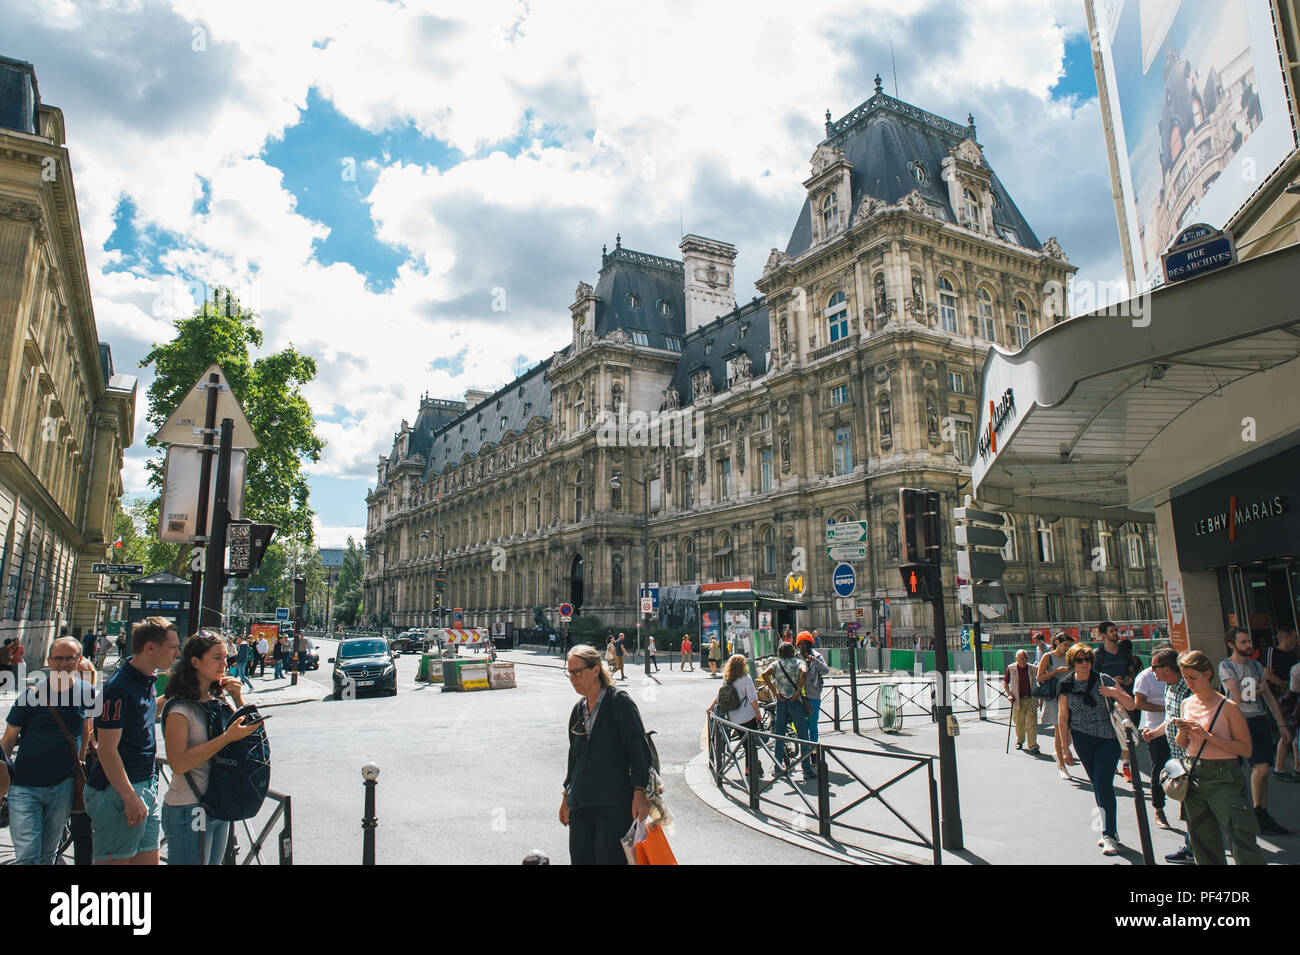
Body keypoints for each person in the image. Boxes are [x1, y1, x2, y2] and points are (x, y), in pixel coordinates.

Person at [85, 617, 181, 865]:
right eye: (172, 647)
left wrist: (176, 693)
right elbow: (106, 749)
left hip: (144, 786)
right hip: (118, 791)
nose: (177, 653)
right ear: (151, 647)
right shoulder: (119, 688)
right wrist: (129, 797)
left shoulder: (146, 678)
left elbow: (145, 715)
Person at [161, 633, 258, 865]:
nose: (225, 664)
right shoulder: (180, 708)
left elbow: (251, 736)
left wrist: (238, 699)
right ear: (195, 661)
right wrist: (225, 738)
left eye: (225, 658)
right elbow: (178, 763)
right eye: (217, 658)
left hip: (217, 803)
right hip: (188, 808)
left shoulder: (217, 700)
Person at [1, 637, 95, 864]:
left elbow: (86, 733)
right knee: (28, 855)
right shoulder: (31, 695)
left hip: (63, 786)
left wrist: (79, 770)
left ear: (79, 660)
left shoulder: (88, 693)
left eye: (69, 658)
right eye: (58, 659)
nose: (63, 664)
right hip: (24, 786)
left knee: (48, 854)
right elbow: (9, 739)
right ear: (49, 661)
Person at [558, 645, 652, 865]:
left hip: (614, 804)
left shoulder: (619, 703)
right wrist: (566, 796)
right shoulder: (578, 710)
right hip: (581, 803)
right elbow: (574, 758)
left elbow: (639, 750)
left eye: (577, 672)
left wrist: (639, 792)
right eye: (569, 673)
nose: (572, 678)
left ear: (596, 670)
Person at [1175, 649, 1267, 865]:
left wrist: (1207, 736)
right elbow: (1183, 745)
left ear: (1207, 673)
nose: (1189, 683)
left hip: (1224, 775)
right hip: (1194, 774)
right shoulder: (1187, 703)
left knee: (1241, 839)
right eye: (1185, 678)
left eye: (1193, 678)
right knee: (1201, 841)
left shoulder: (1228, 707)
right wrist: (1183, 731)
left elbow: (1245, 750)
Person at [1057, 642, 1136, 856]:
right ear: (1072, 662)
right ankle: (1110, 829)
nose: (1085, 664)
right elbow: (1063, 718)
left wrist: (1113, 692)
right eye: (1080, 660)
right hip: (1082, 739)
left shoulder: (1104, 679)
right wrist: (1065, 749)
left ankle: (1109, 834)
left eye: (1088, 660)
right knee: (1097, 785)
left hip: (1107, 738)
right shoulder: (1066, 684)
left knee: (1103, 784)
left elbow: (1131, 704)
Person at [1219, 627, 1293, 835]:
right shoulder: (1226, 666)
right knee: (1247, 771)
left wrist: (1282, 724)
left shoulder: (1255, 665)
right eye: (1243, 642)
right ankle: (1243, 813)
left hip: (1259, 720)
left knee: (1263, 769)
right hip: (1238, 722)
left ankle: (1261, 811)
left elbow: (1268, 696)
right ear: (1232, 645)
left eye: (1248, 641)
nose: (1248, 645)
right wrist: (1259, 689)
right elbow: (1239, 696)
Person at [1141, 648, 1194, 862]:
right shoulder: (1169, 688)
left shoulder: (1188, 690)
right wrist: (1155, 732)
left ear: (1166, 668)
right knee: (1190, 804)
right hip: (1178, 755)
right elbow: (1171, 718)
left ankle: (1195, 849)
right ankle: (1192, 846)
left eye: (1154, 667)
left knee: (1194, 804)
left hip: (1193, 755)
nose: (1151, 671)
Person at [1132, 646, 1175, 829]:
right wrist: (1166, 710)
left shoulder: (1178, 677)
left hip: (1175, 731)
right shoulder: (1145, 677)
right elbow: (1138, 703)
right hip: (1155, 731)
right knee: (1159, 770)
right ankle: (1159, 809)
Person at [762, 641, 813, 779]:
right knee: (803, 735)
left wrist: (775, 691)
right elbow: (805, 671)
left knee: (779, 735)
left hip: (781, 701)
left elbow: (764, 674)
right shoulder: (798, 662)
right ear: (792, 651)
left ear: (779, 653)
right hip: (795, 701)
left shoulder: (776, 664)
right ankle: (806, 769)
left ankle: (778, 767)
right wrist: (798, 690)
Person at [709, 653, 761, 780]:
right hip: (748, 715)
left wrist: (711, 707)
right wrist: (758, 713)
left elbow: (719, 696)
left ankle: (753, 767)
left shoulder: (727, 679)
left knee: (745, 744)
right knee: (750, 744)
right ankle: (750, 769)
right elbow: (752, 698)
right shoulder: (746, 678)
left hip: (734, 717)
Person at [1037, 632, 1075, 779]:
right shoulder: (1048, 657)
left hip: (1069, 695)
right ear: (1057, 642)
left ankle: (1059, 752)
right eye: (1065, 645)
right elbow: (1039, 678)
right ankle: (1061, 766)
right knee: (1060, 731)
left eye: (1069, 646)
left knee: (1069, 733)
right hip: (1054, 697)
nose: (1067, 648)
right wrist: (1057, 672)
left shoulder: (1070, 656)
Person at [1264, 628, 1299, 780]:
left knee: (1295, 729)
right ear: (1286, 638)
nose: (1297, 641)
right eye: (1294, 637)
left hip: (1293, 694)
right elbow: (1268, 674)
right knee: (1288, 729)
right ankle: (1279, 768)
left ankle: (1297, 767)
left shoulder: (1293, 654)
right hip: (1281, 696)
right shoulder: (1273, 652)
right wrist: (1286, 686)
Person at [1003, 649, 1038, 752]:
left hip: (1030, 699)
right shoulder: (1011, 668)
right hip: (1017, 700)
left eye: (1024, 658)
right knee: (1019, 723)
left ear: (1027, 658)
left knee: (1031, 723)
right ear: (1016, 659)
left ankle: (1033, 745)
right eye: (1019, 659)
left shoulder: (1033, 668)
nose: (1022, 661)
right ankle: (1020, 741)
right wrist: (1009, 695)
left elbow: (1040, 680)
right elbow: (1005, 683)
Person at [797, 636, 829, 745]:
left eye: (804, 643)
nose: (802, 646)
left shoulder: (817, 656)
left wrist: (814, 661)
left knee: (813, 726)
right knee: (801, 727)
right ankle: (804, 752)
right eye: (800, 644)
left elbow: (825, 670)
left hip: (813, 696)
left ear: (809, 644)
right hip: (799, 696)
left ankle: (814, 752)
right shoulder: (796, 657)